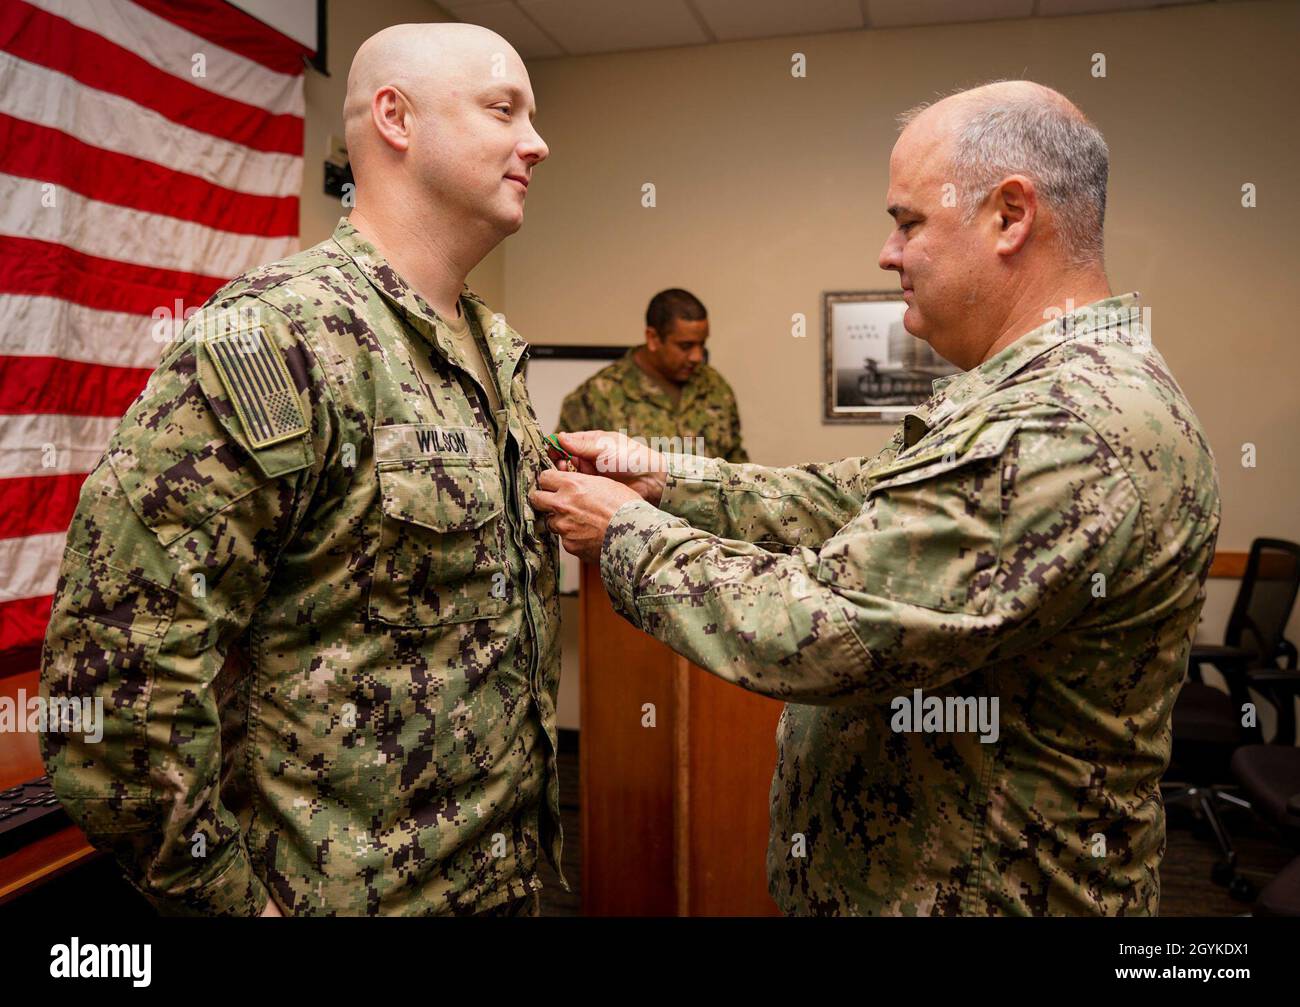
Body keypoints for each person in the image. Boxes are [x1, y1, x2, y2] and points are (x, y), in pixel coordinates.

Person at [531, 80, 1220, 916]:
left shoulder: (1062, 426)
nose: (887, 254)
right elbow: (843, 498)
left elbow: (823, 630)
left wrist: (628, 532)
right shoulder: (1024, 395)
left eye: (908, 222)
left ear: (1010, 216)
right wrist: (666, 479)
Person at [40, 22, 563, 917]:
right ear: (395, 118)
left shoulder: (491, 347)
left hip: (504, 882)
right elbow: (113, 691)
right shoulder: (276, 338)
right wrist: (235, 903)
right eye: (502, 109)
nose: (537, 142)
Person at [557, 288, 748, 463]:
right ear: (653, 338)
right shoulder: (597, 396)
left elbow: (735, 463)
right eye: (685, 346)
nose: (698, 356)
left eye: (702, 344)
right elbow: (564, 468)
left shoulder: (715, 387)